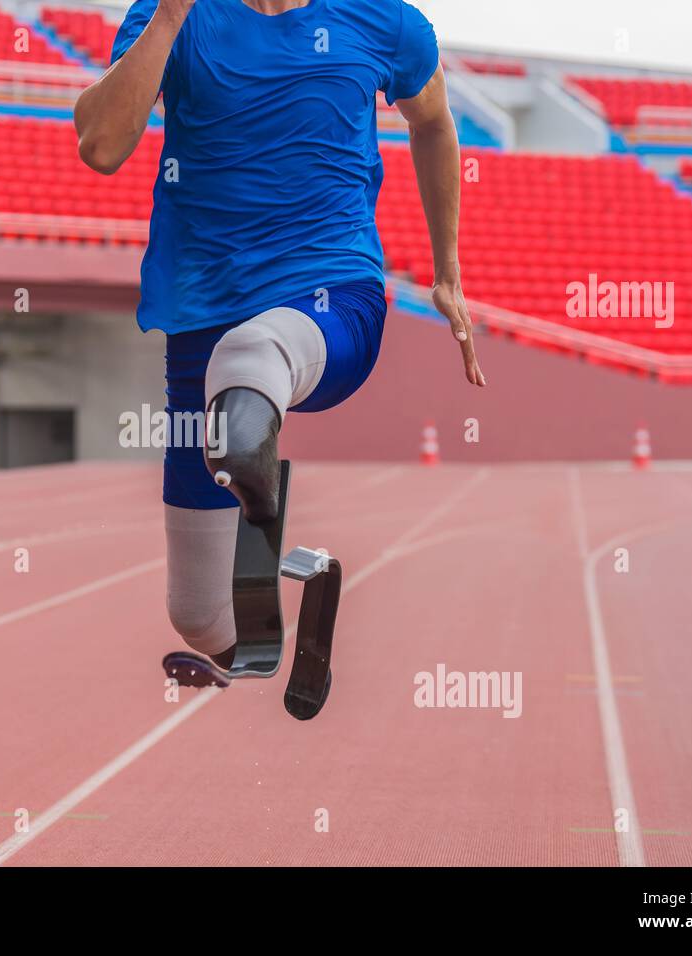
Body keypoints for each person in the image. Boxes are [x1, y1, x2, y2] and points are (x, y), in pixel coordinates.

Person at [73, 0, 484, 670]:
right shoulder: (171, 15)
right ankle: (305, 583)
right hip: (203, 313)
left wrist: (448, 273)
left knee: (250, 356)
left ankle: (255, 474)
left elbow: (434, 122)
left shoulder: (384, 21)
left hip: (331, 298)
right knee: (200, 615)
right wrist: (172, 18)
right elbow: (100, 145)